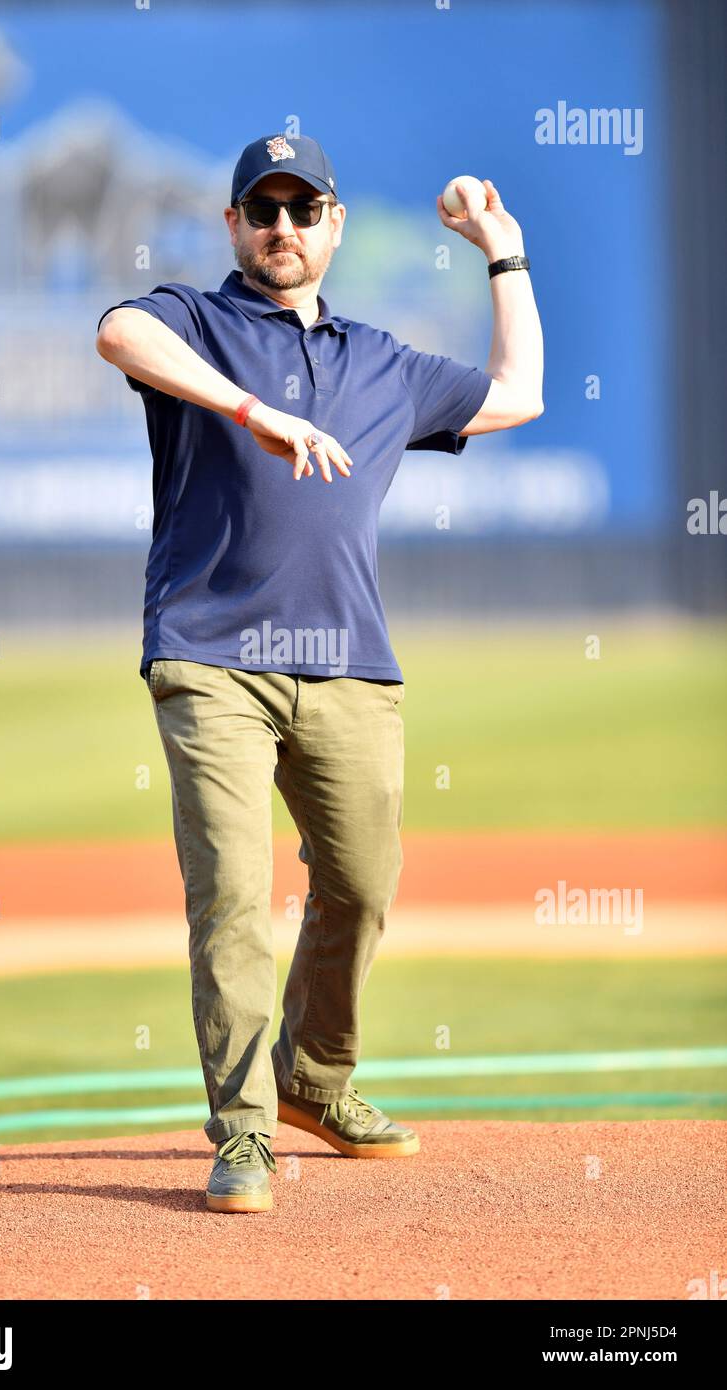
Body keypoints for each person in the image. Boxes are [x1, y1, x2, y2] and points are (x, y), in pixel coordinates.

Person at [96, 134, 543, 1213]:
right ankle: (243, 1132)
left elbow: (515, 392)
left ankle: (314, 1077)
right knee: (233, 894)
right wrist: (252, 411)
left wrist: (504, 253)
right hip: (210, 655)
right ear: (233, 226)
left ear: (333, 225)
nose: (282, 229)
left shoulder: (381, 362)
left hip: (348, 661)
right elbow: (117, 332)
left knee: (359, 885)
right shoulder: (196, 322)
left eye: (304, 211)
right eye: (263, 209)